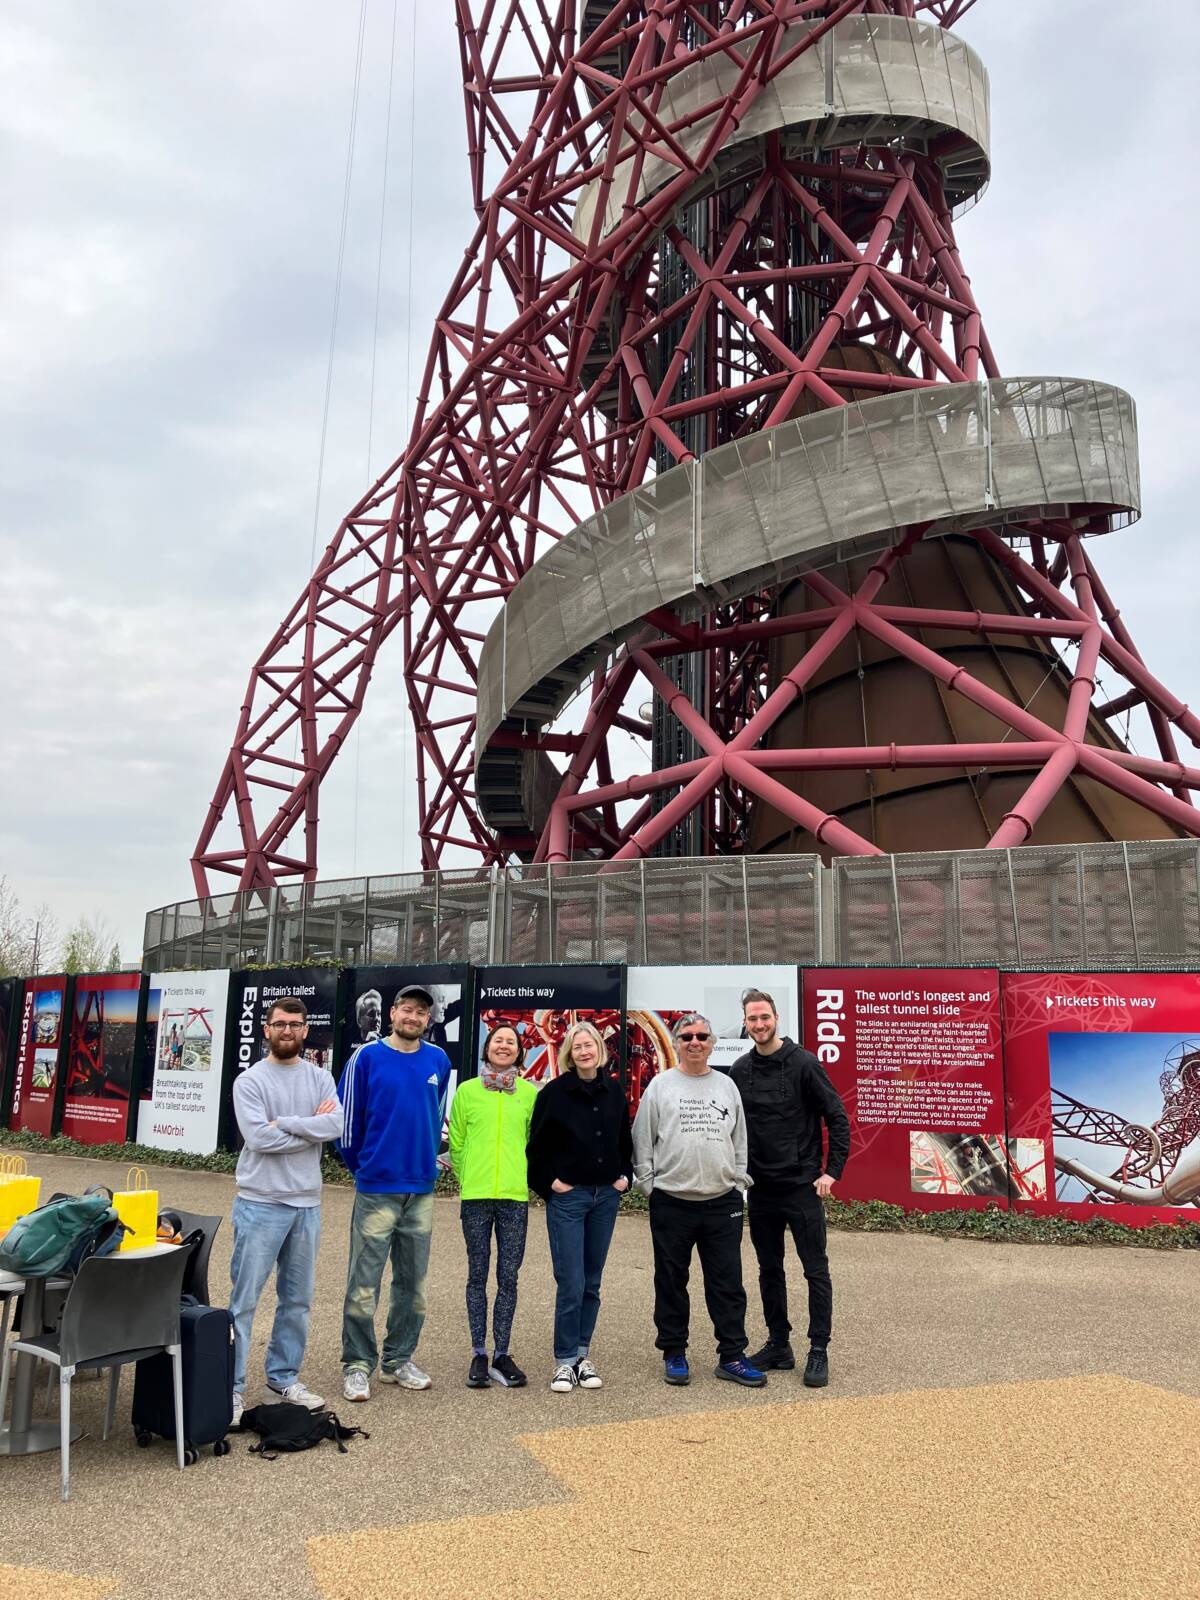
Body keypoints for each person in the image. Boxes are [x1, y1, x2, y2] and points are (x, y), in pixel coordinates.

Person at [632, 1012, 765, 1389]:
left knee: (727, 1283)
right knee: (671, 1280)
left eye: (702, 1036)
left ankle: (732, 1356)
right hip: (671, 1201)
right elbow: (642, 1140)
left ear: (712, 1043)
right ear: (676, 1043)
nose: (695, 1042)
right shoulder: (660, 1086)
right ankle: (674, 1352)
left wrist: (738, 1183)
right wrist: (649, 1185)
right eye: (687, 1036)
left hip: (722, 1202)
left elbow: (740, 1140)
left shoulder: (726, 1086)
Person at [229, 995, 342, 1426]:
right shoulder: (250, 1081)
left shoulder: (320, 1078)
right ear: (267, 1029)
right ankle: (231, 1387)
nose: (287, 1031)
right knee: (243, 1302)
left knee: (296, 1301)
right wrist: (311, 1127)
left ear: (305, 1030)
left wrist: (288, 1123)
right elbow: (259, 1139)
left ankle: (283, 1379)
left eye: (295, 1024)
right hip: (260, 1203)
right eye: (280, 1024)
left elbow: (336, 1125)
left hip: (306, 1206)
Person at [337, 983, 453, 1403]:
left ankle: (397, 1360)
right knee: (363, 1285)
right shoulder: (365, 1058)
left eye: (421, 1012)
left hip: (420, 1190)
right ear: (392, 1013)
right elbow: (346, 1126)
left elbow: (435, 1115)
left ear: (428, 1019)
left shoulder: (438, 1060)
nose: (413, 1017)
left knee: (413, 1287)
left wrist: (425, 1165)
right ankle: (357, 1364)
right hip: (377, 1189)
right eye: (407, 1009)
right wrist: (366, 1169)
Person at [730, 988, 851, 1389]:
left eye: (764, 1017)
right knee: (769, 1270)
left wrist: (831, 1172)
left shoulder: (804, 1064)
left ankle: (818, 1349)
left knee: (815, 1270)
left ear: (776, 1018)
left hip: (802, 1188)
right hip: (761, 1189)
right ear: (745, 1023)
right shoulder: (740, 1070)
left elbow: (837, 1117)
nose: (759, 1024)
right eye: (752, 1019)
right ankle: (779, 1345)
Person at [525, 1020, 632, 1394]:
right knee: (571, 1281)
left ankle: (582, 1356)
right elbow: (536, 1149)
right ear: (569, 1053)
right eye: (578, 1046)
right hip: (569, 1199)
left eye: (590, 1045)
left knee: (592, 1280)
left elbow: (624, 1140)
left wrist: (624, 1176)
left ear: (600, 1050)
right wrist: (550, 1185)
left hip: (606, 1196)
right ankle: (564, 1360)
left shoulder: (613, 1090)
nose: (585, 1051)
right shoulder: (554, 1094)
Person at [447, 1023, 537, 1389]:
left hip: (514, 1197)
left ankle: (502, 1352)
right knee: (477, 1275)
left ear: (519, 1051)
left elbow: (533, 1142)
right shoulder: (467, 1091)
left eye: (510, 1042)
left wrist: (524, 1176)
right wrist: (468, 1177)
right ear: (487, 1048)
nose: (504, 1046)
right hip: (477, 1196)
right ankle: (479, 1353)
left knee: (509, 1277)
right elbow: (456, 1141)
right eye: (498, 1040)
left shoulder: (529, 1094)